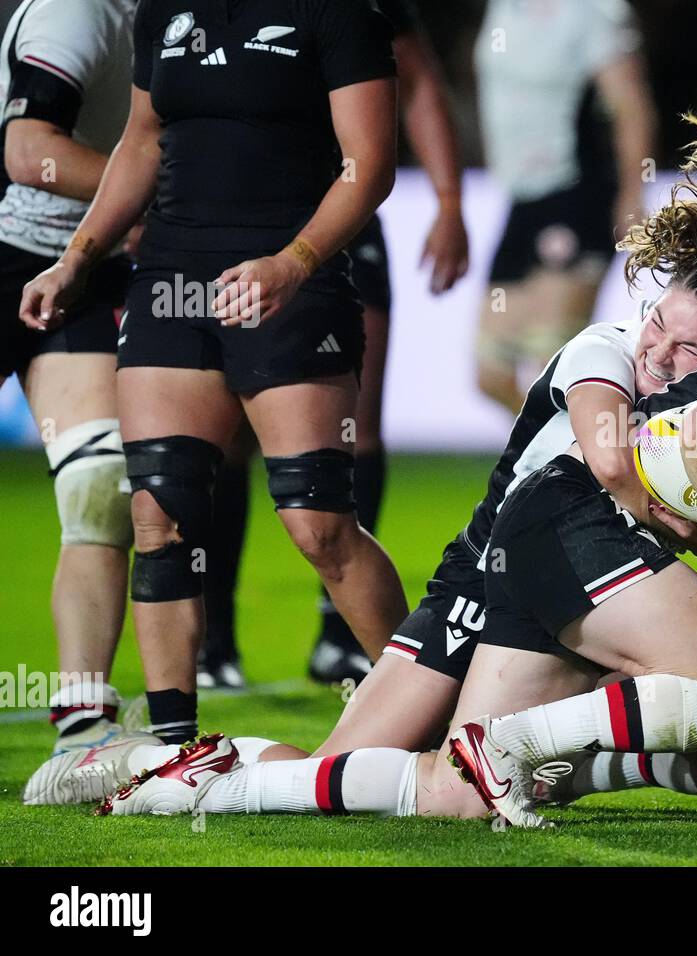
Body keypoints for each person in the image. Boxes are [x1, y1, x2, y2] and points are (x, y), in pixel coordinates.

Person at [92, 70, 697, 826]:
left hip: (581, 559)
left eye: (691, 352)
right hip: (532, 536)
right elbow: (646, 453)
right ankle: (510, 750)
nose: (665, 358)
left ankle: (197, 779)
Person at [27, 159, 697, 808]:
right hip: (491, 585)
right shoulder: (605, 348)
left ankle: (533, 762)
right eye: (658, 321)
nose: (657, 350)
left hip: (596, 603)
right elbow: (609, 461)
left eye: (687, 348)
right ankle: (148, 766)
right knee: (335, 775)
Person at [19, 0, 407, 747]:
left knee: (319, 524)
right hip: (171, 284)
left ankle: (429, 713)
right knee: (158, 516)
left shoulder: (339, 14)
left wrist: (291, 265)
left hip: (292, 283)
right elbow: (141, 142)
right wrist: (77, 259)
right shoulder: (162, 10)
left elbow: (370, 167)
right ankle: (176, 749)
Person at [196, 0, 471, 689]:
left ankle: (340, 638)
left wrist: (448, 202)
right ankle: (214, 641)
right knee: (222, 438)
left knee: (357, 427)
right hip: (232, 217)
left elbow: (420, 81)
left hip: (340, 216)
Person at [0, 0, 135, 756]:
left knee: (99, 481)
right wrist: (149, 199)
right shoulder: (78, 10)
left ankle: (82, 719)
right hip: (12, 245)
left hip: (79, 265)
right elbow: (29, 152)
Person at [472, 0, 656, 412]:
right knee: (490, 373)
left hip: (578, 197)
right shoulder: (504, 8)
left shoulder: (594, 11)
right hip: (522, 201)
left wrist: (632, 194)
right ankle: (558, 455)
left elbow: (631, 107)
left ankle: (583, 463)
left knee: (551, 365)